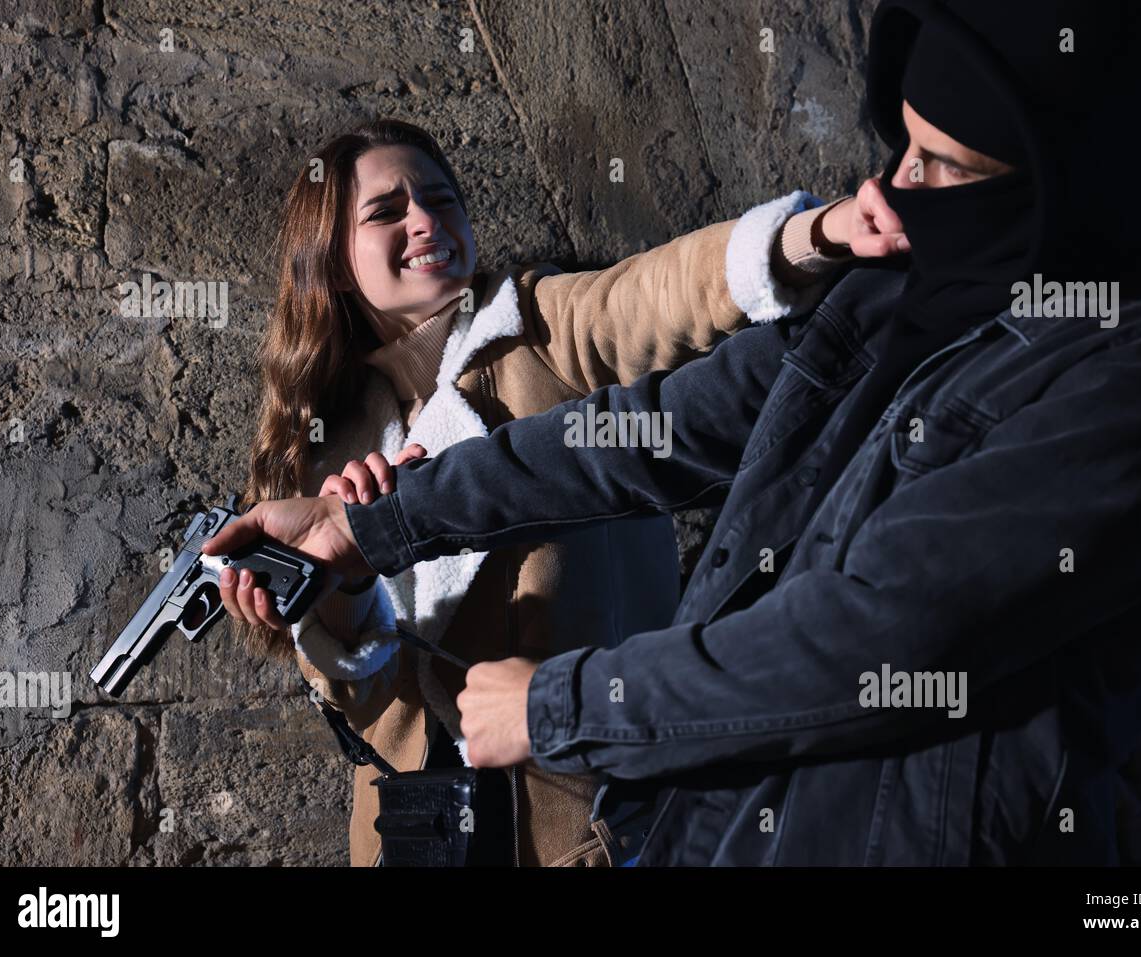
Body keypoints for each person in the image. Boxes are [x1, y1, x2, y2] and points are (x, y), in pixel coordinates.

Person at [206, 0, 1141, 864]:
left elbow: (871, 641)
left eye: (940, 166)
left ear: (1066, 188)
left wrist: (565, 704)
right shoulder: (917, 284)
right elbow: (657, 429)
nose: (895, 187)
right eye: (902, 143)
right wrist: (372, 530)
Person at [209, 117, 890, 865]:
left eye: (442, 199)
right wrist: (339, 592)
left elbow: (657, 292)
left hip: (590, 828)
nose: (427, 221)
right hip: (416, 836)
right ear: (333, 263)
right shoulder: (324, 447)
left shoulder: (537, 325)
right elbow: (368, 705)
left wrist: (814, 234)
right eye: (387, 211)